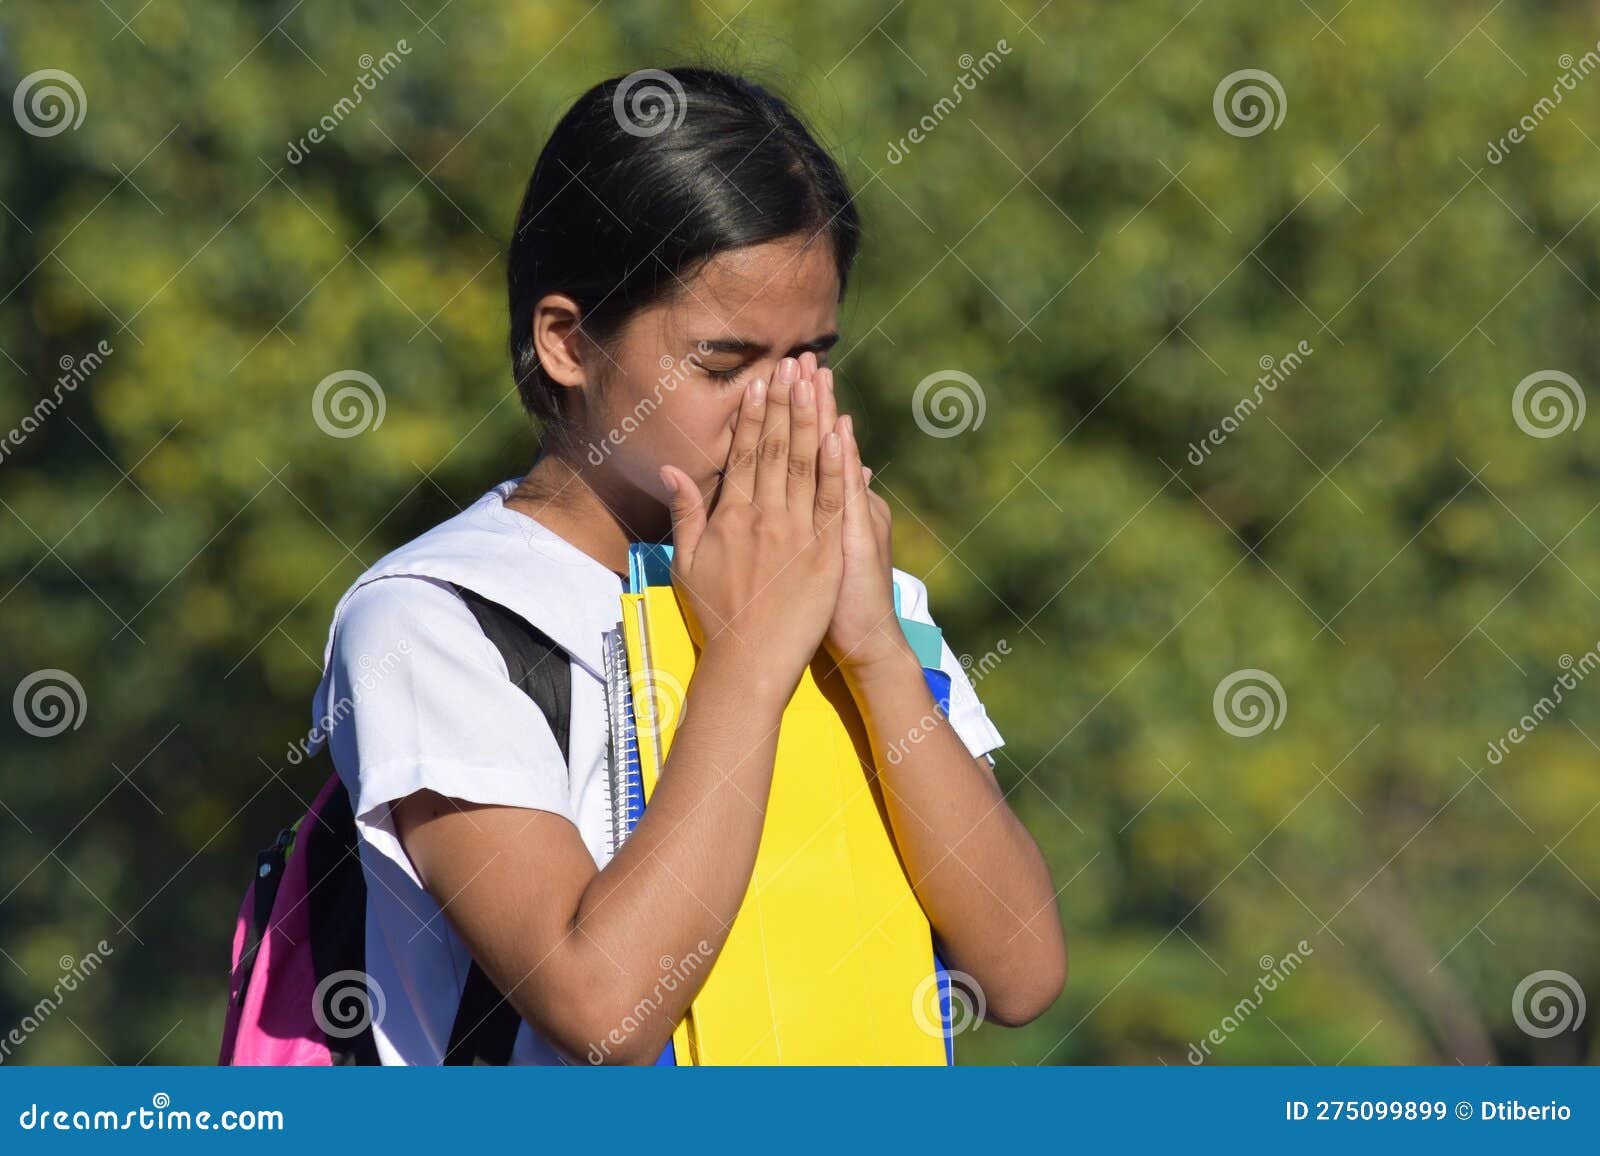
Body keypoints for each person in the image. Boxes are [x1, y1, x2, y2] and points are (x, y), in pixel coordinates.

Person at [314, 66, 1066, 1065]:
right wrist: (751, 654)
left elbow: (1017, 970)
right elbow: (604, 1010)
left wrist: (877, 650)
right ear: (569, 343)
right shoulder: (436, 620)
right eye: (725, 363)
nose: (779, 408)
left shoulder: (858, 593)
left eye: (812, 358)